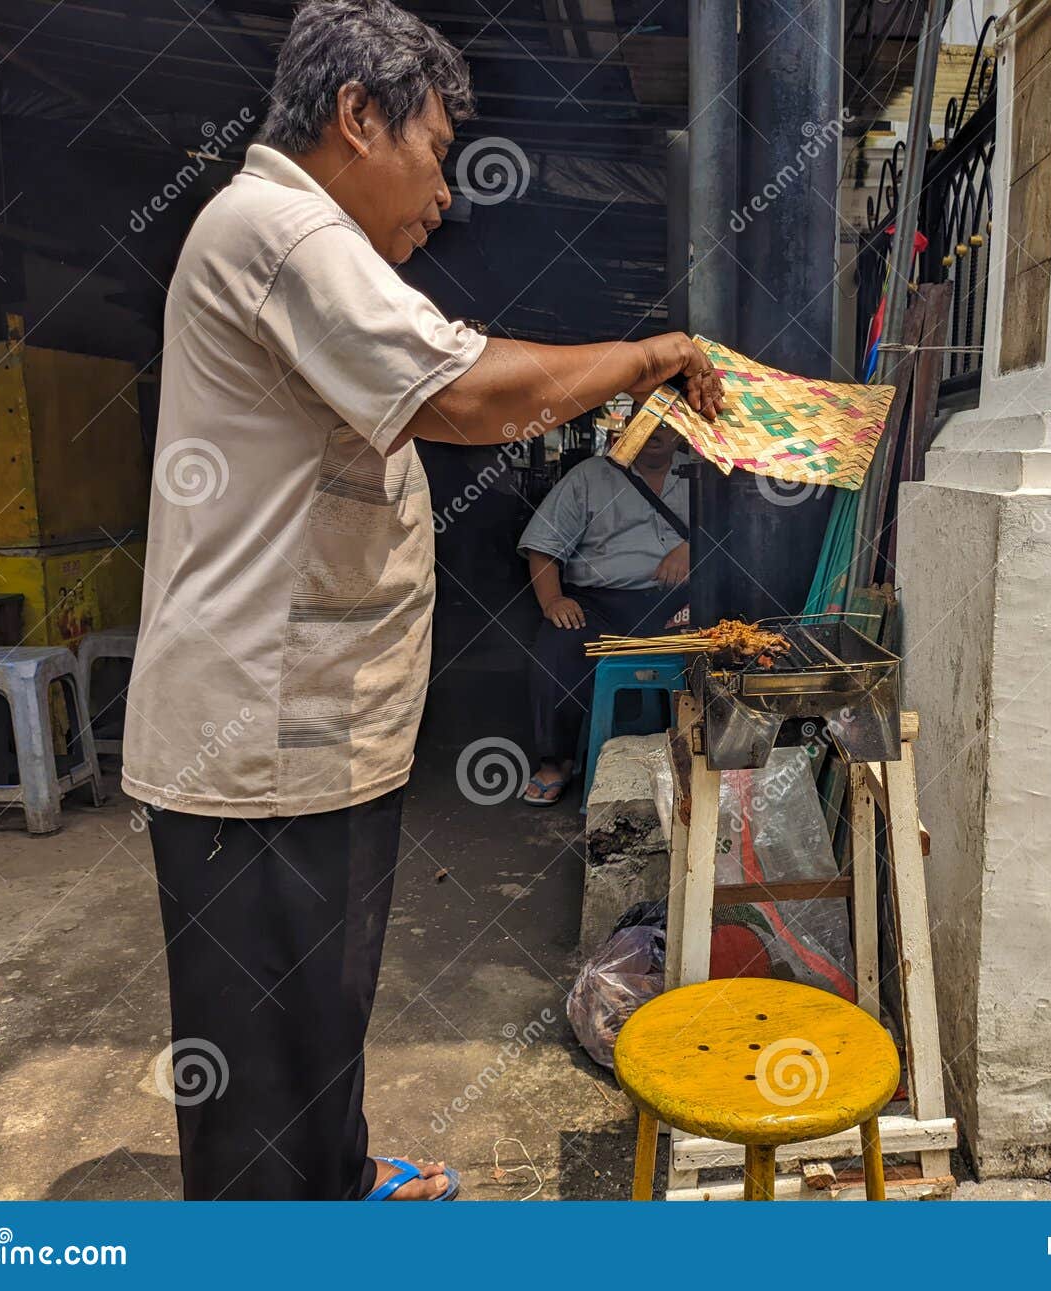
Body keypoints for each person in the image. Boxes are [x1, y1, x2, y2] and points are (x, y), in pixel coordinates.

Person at [120, 0, 722, 1202]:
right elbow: (474, 396)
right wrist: (652, 355)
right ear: (357, 113)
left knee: (317, 1010)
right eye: (435, 153)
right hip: (261, 730)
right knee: (263, 1048)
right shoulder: (287, 230)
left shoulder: (295, 246)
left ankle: (335, 1184)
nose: (444, 193)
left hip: (307, 722)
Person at [518, 425, 689, 805]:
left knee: (723, 639)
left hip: (673, 603)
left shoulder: (700, 476)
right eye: (647, 421)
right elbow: (543, 547)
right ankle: (556, 761)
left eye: (666, 423)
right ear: (631, 428)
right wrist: (553, 601)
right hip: (598, 604)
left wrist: (692, 548)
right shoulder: (591, 476)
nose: (655, 431)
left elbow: (733, 538)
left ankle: (700, 755)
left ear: (681, 433)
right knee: (557, 645)